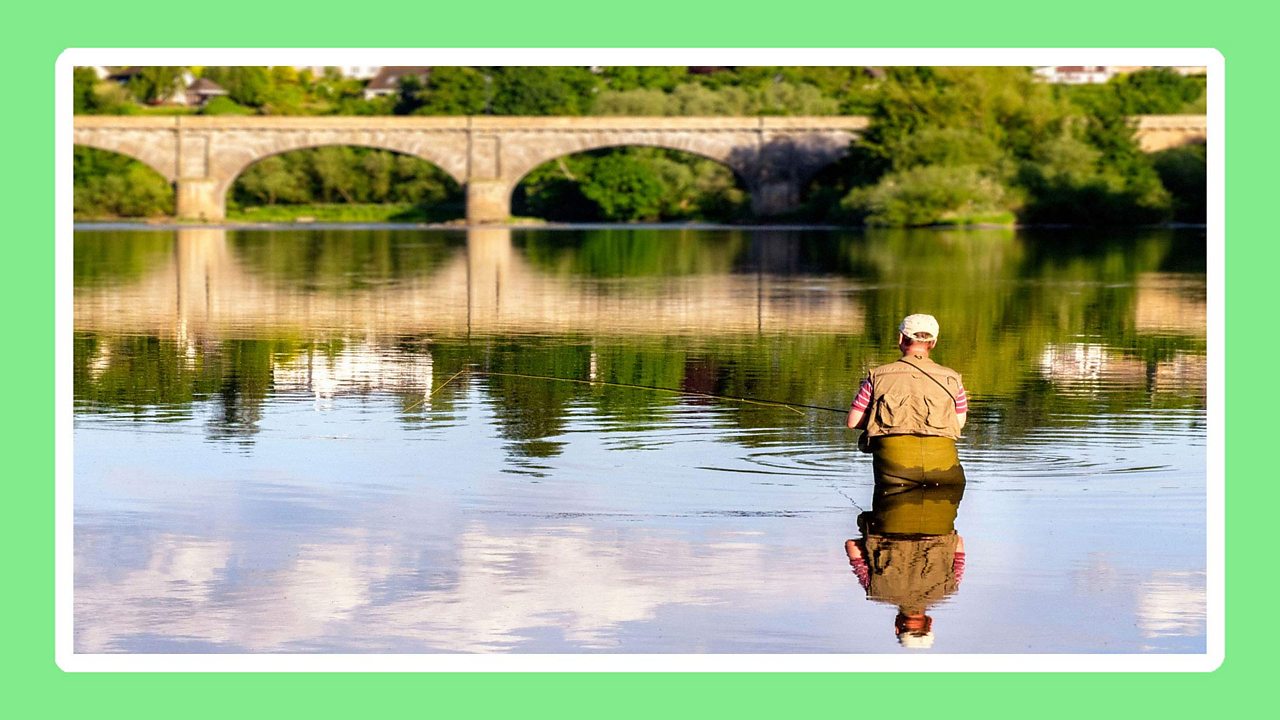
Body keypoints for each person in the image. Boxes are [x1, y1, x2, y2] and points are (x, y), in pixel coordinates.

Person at [846, 313, 968, 486]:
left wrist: (876, 417)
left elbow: (853, 421)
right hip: (946, 476)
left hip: (894, 476)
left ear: (901, 338)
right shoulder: (953, 379)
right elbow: (959, 422)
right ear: (933, 343)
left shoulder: (877, 377)